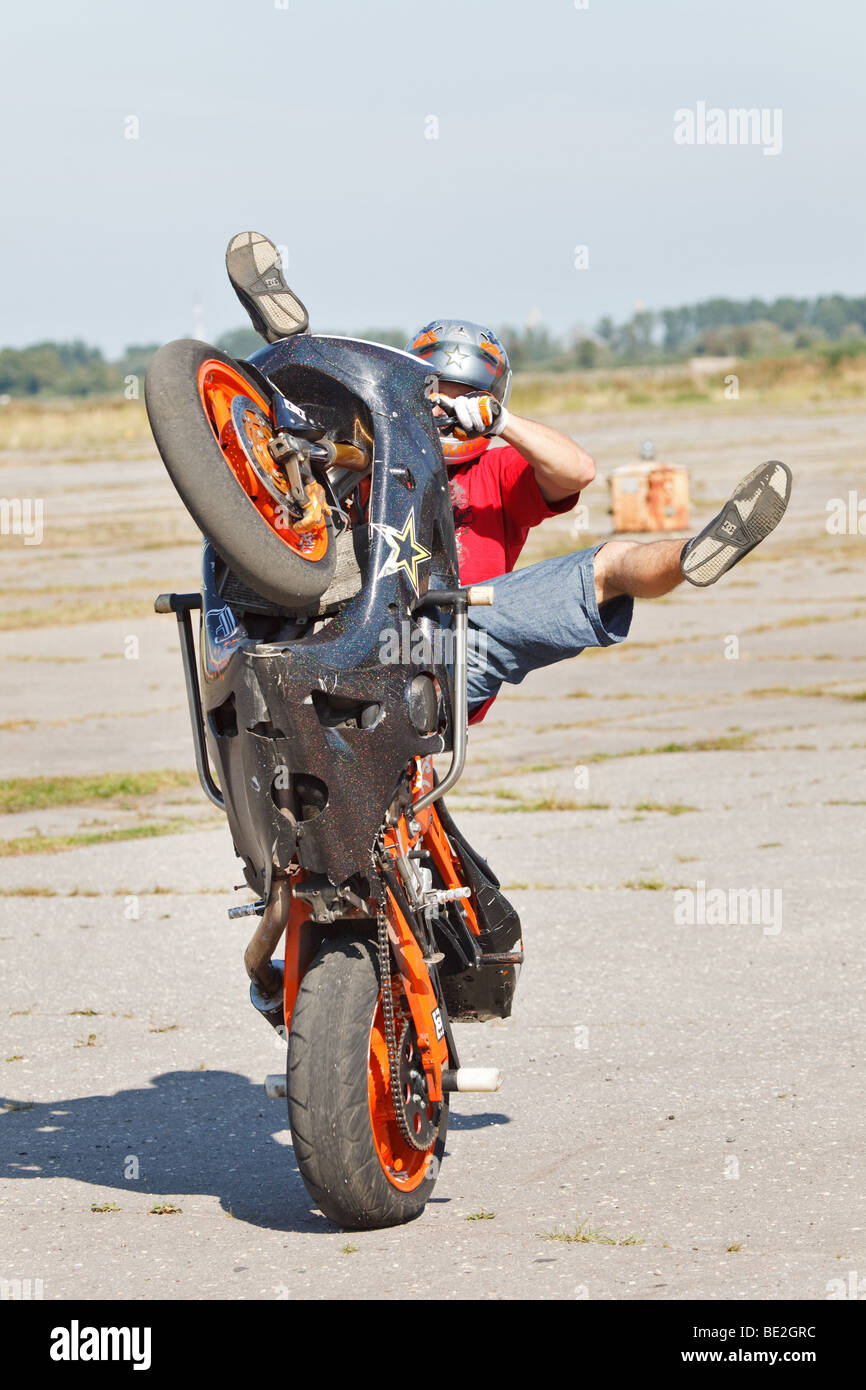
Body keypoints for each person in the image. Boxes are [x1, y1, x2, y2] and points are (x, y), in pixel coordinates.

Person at [405, 319, 791, 723]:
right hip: (370, 640)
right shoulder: (374, 463)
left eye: (466, 398)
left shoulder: (496, 470)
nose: (446, 410)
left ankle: (695, 553)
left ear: (490, 399)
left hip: (464, 635)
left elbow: (578, 471)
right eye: (436, 393)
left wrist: (503, 424)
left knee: (612, 563)